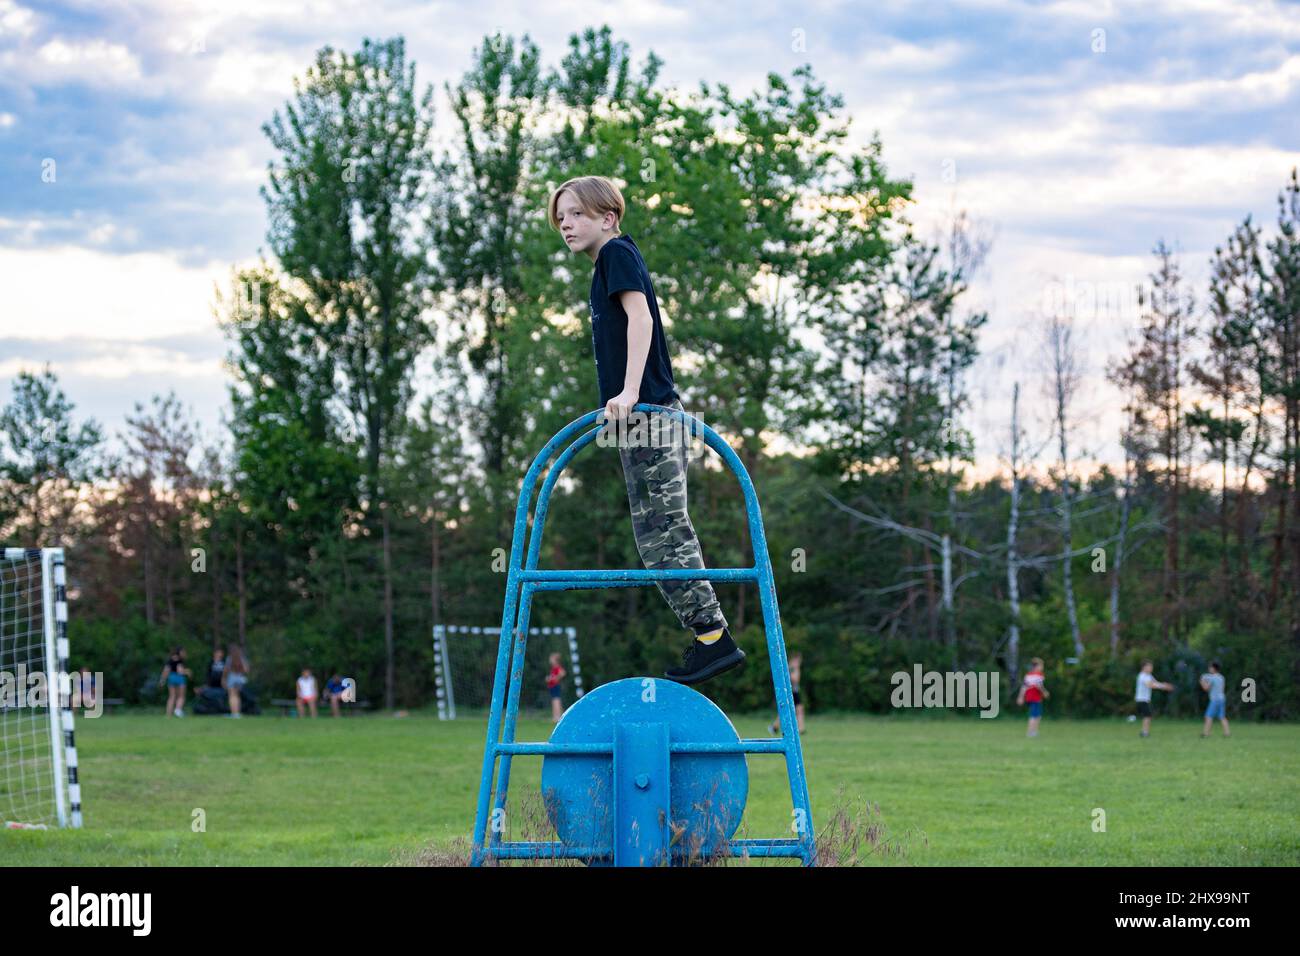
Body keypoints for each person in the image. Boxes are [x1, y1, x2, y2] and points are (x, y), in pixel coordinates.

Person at [550, 175, 742, 685]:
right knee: (653, 536)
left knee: (665, 531)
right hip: (634, 421)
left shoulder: (617, 254)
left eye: (576, 214)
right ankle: (708, 637)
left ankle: (713, 638)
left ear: (608, 217)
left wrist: (631, 391)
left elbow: (641, 318)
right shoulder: (604, 267)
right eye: (561, 217)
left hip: (650, 413)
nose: (566, 224)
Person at [1135, 659, 1174, 738]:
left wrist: (1165, 685)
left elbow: (1155, 682)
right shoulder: (1142, 676)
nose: (1151, 668)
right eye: (1149, 667)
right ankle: (1144, 732)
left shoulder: (1149, 676)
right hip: (1141, 699)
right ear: (1144, 667)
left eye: (1151, 667)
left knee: (1147, 716)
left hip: (1145, 700)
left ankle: (1144, 732)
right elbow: (1150, 685)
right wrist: (1163, 686)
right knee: (1147, 716)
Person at [769, 652, 805, 735]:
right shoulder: (790, 668)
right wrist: (796, 669)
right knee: (789, 711)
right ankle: (775, 727)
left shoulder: (792, 668)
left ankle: (800, 728)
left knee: (798, 710)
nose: (799, 662)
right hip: (791, 692)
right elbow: (795, 679)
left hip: (794, 692)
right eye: (797, 660)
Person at [1016, 657, 1049, 737]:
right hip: (1035, 697)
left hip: (1029, 697)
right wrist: (1044, 692)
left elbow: (1024, 687)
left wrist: (1020, 697)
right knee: (1034, 715)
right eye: (1041, 666)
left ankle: (1034, 731)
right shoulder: (1039, 675)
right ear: (1037, 666)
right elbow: (1039, 686)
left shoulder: (1028, 675)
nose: (1042, 668)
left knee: (1037, 715)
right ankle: (1031, 732)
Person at [1200, 660, 1230, 738]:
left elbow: (1206, 688)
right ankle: (1227, 733)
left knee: (1208, 716)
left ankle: (1206, 733)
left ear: (1213, 668)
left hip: (1215, 699)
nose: (1209, 669)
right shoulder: (1221, 677)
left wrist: (1202, 682)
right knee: (1222, 716)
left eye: (1210, 667)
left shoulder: (1212, 678)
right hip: (1222, 698)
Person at [159, 647, 190, 718]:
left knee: (171, 697)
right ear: (180, 652)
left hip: (171, 677)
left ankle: (168, 714)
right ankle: (178, 710)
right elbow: (180, 671)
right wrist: (187, 671)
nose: (184, 653)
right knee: (181, 696)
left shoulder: (170, 659)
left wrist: (162, 680)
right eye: (183, 652)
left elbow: (166, 670)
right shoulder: (180, 660)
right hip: (179, 678)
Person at [224, 644, 249, 718]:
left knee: (232, 696)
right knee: (237, 696)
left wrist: (224, 678)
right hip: (240, 678)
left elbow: (226, 669)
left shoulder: (229, 658)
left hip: (232, 677)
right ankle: (237, 713)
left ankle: (233, 713)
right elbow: (246, 670)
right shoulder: (241, 658)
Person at [545, 653, 566, 723]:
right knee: (555, 701)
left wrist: (553, 678)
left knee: (556, 701)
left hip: (555, 686)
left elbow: (563, 673)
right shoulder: (554, 667)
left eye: (551, 659)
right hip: (553, 686)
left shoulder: (557, 667)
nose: (550, 660)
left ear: (555, 660)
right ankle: (556, 717)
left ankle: (557, 717)